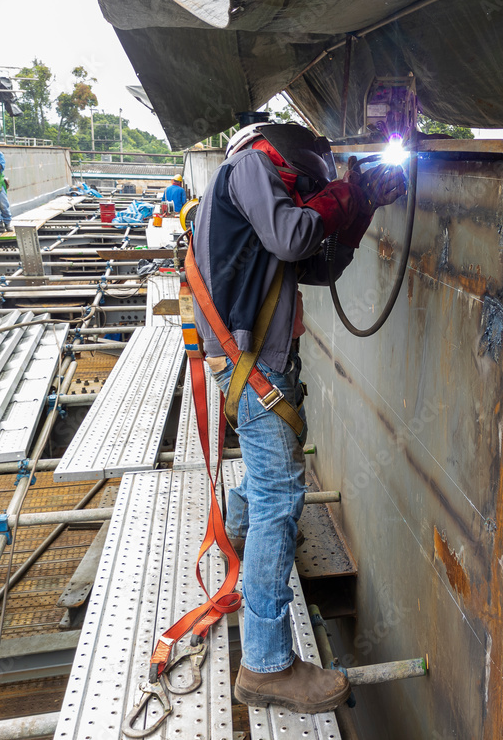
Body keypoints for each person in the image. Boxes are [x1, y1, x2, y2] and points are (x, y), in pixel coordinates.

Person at [191, 122, 405, 713]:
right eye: (309, 185)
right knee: (282, 501)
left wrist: (359, 210)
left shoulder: (240, 193)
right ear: (290, 159)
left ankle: (236, 527)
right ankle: (266, 664)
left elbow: (316, 265)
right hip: (256, 368)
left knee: (266, 482)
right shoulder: (250, 168)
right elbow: (293, 237)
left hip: (248, 366)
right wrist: (349, 193)